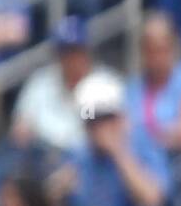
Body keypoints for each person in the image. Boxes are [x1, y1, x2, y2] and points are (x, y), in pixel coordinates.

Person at [65, 71, 171, 206]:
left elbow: (153, 200)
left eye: (105, 119)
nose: (99, 128)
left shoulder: (142, 143)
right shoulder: (79, 157)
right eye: (92, 121)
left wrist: (118, 152)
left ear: (120, 117)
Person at [12, 16, 116, 153]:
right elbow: (21, 127)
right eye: (65, 52)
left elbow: (98, 136)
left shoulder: (103, 85)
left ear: (86, 52)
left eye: (75, 51)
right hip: (42, 156)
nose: (70, 59)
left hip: (87, 161)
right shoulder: (41, 81)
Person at [125, 12, 181, 152]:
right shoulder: (133, 88)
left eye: (162, 49)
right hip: (145, 166)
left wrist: (148, 140)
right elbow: (124, 133)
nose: (157, 58)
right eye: (150, 50)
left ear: (174, 47)